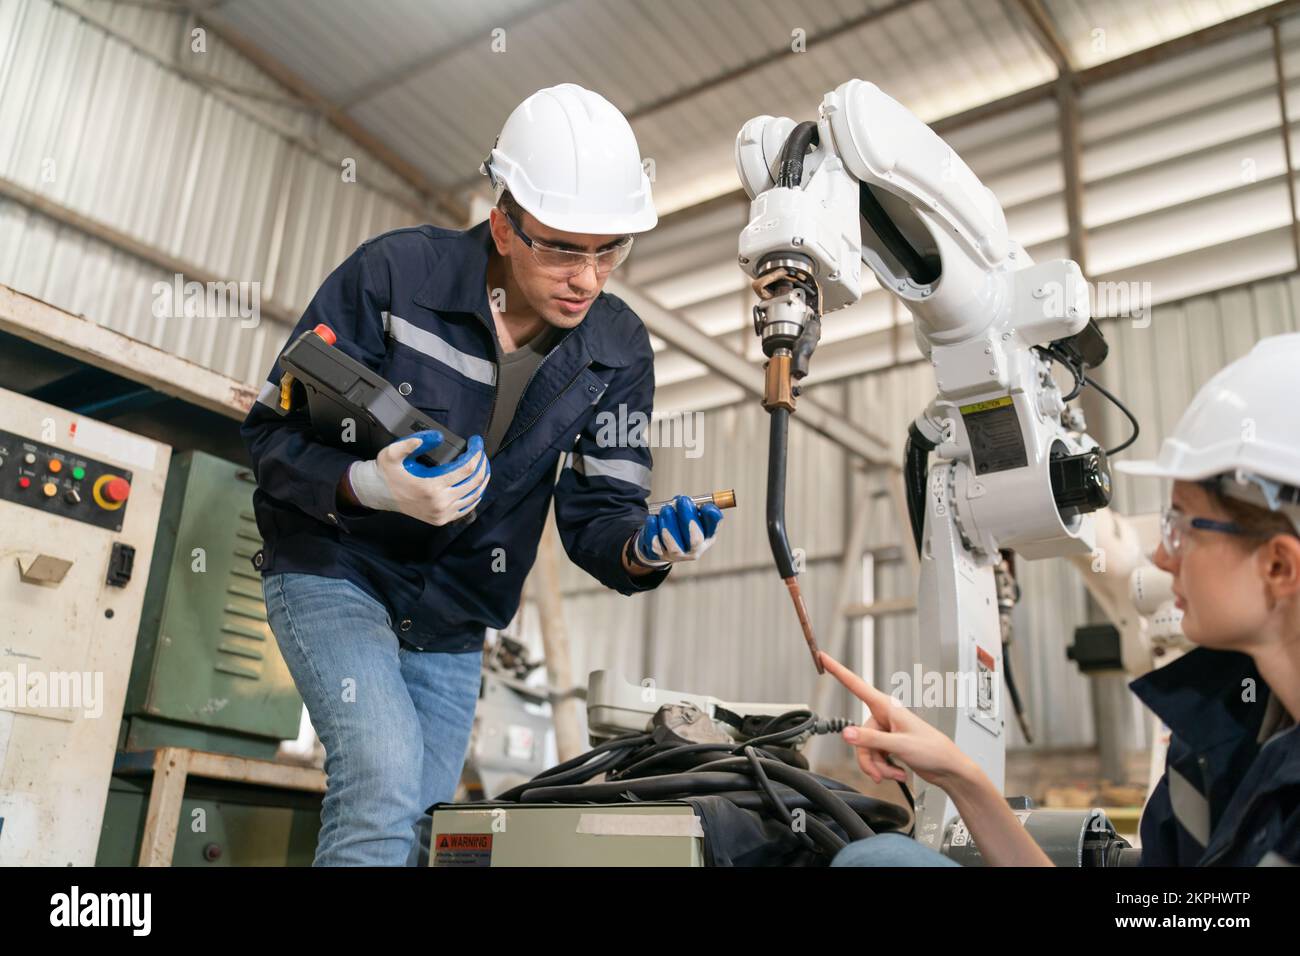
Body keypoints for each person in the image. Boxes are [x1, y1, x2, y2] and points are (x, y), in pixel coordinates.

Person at [241, 84, 724, 866]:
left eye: (612, 250)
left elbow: (601, 513)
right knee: (383, 782)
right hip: (338, 570)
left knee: (432, 831)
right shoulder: (396, 278)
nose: (589, 277)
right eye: (564, 248)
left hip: (456, 615)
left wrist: (648, 548)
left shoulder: (617, 350)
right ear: (503, 223)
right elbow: (268, 436)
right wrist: (372, 486)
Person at [824, 333, 1300, 866]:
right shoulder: (1224, 730)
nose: (1163, 559)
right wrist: (960, 773)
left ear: (1279, 565)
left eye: (1182, 528)